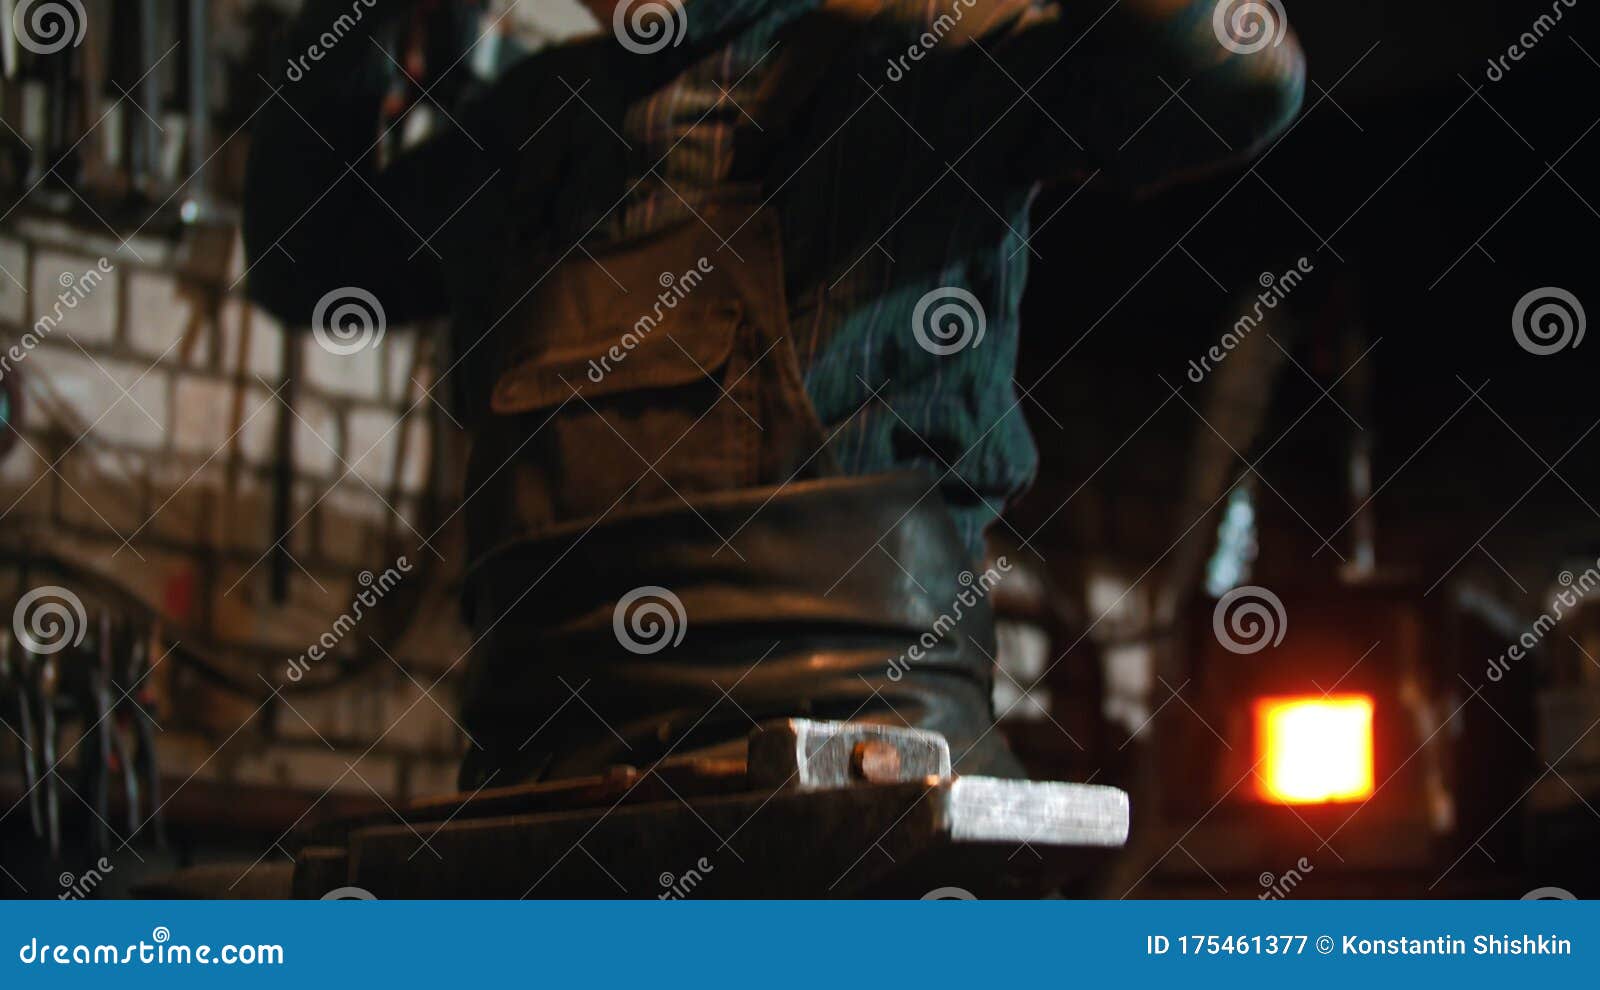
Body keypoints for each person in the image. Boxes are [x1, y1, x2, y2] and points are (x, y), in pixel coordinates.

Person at [245, 0, 1304, 786]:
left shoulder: (909, 64)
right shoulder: (534, 127)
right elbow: (311, 262)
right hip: (545, 783)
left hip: (857, 785)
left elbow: (1232, 68)